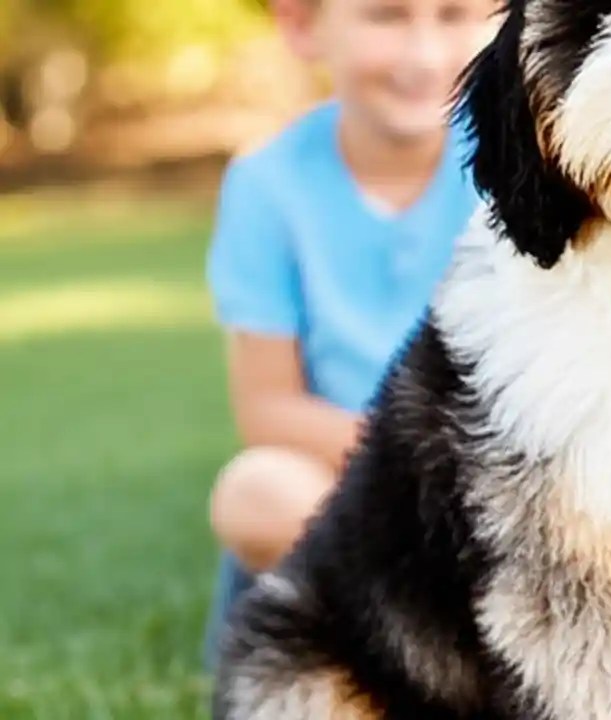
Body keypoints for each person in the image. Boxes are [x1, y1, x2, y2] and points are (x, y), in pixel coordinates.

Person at [201, 0, 499, 665]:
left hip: (489, 479)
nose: (423, 56)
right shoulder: (265, 184)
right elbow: (268, 409)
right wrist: (412, 468)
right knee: (256, 491)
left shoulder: (512, 166)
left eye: (452, 16)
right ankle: (392, 648)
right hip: (345, 489)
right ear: (304, 26)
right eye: (386, 18)